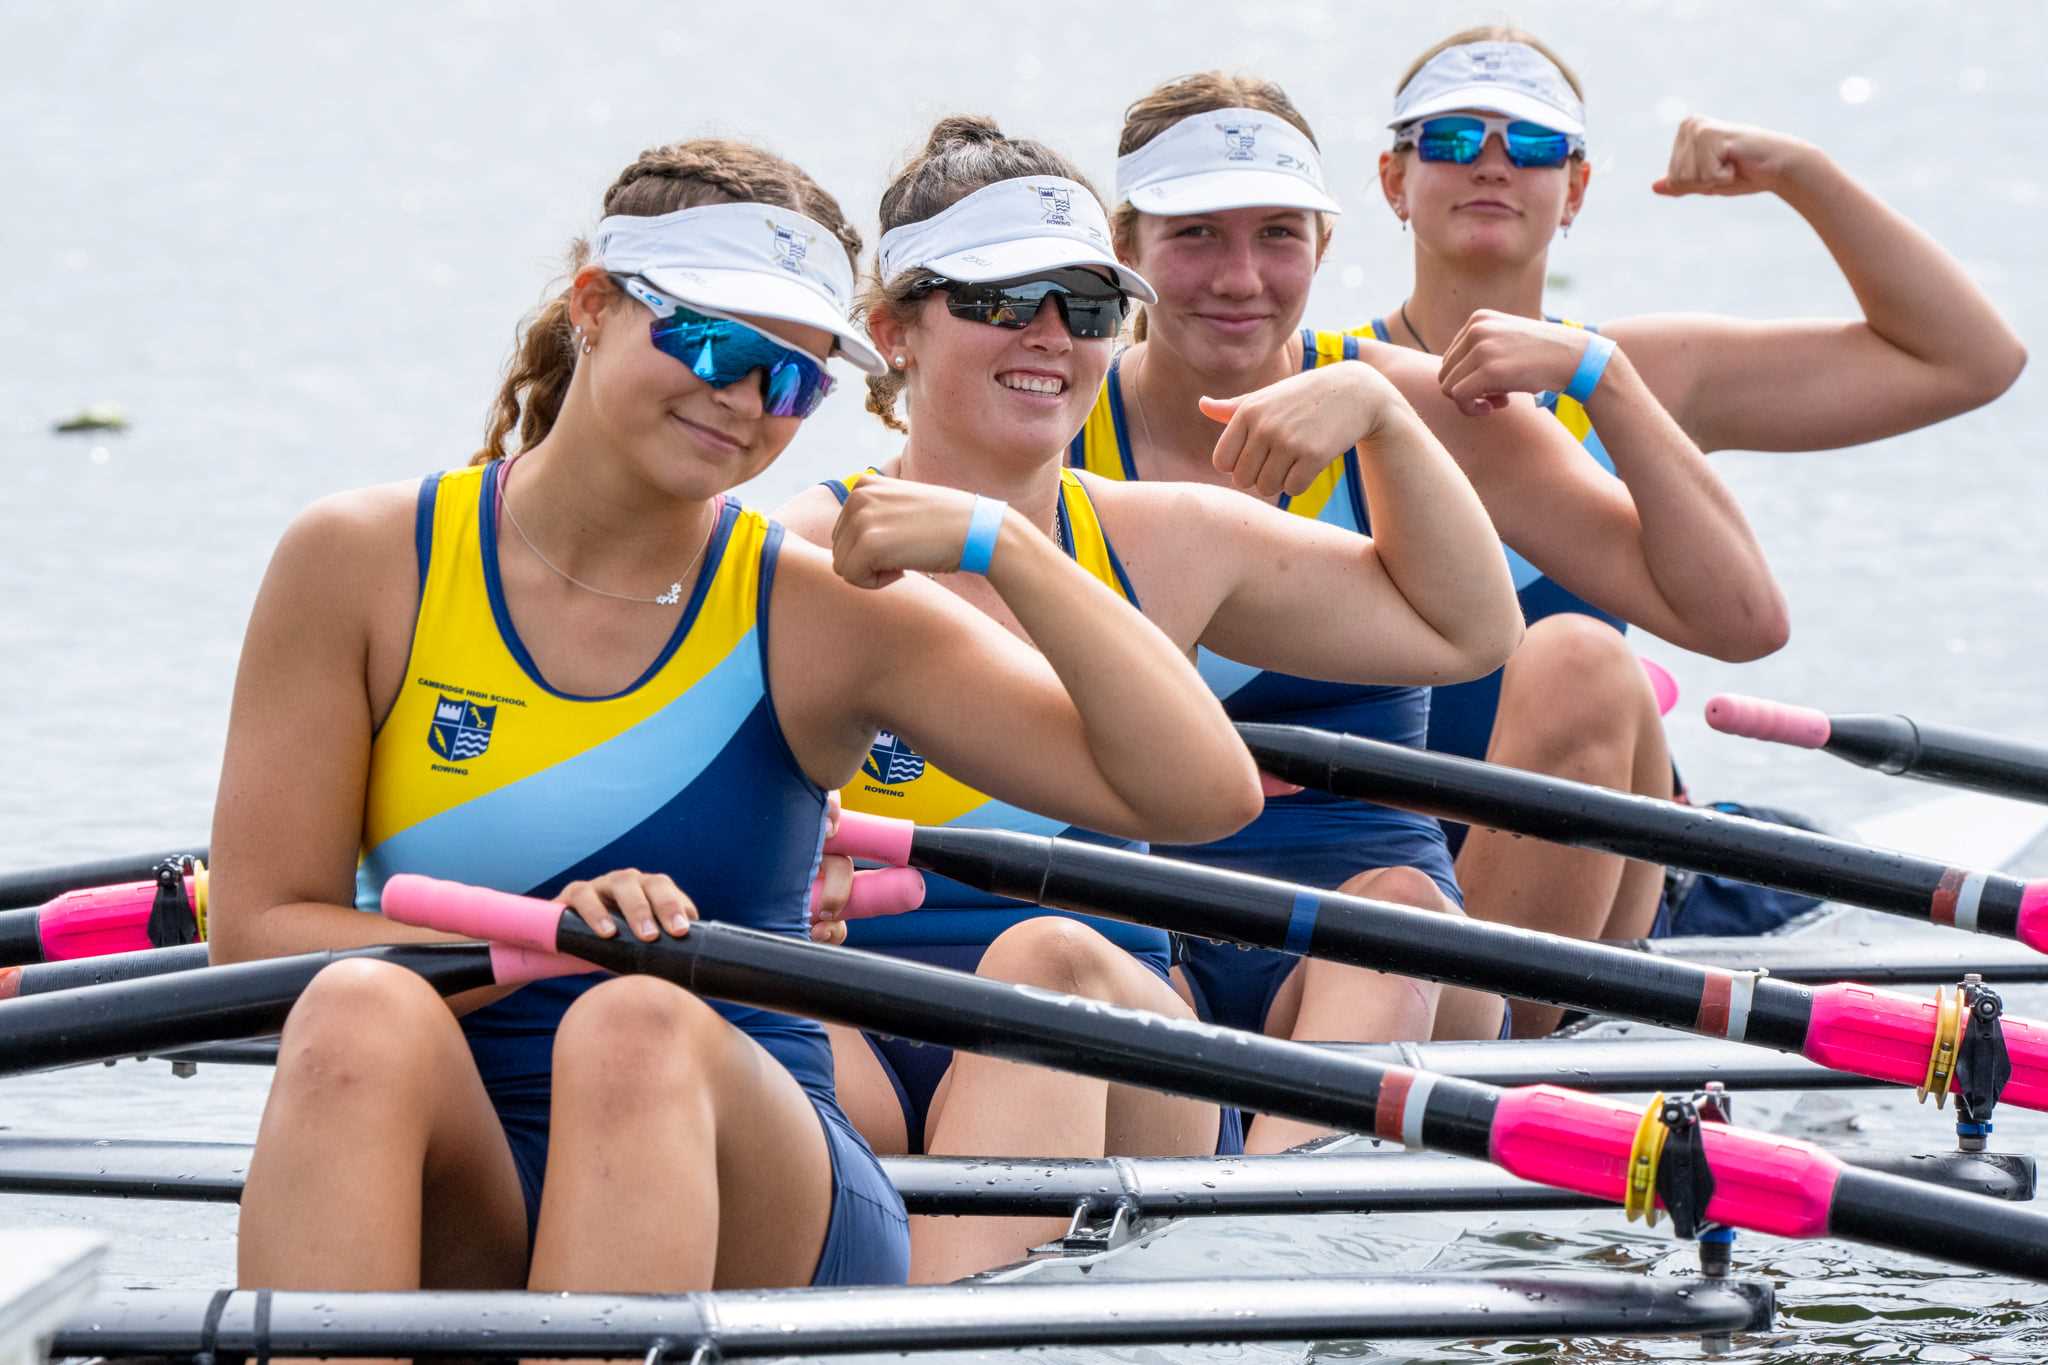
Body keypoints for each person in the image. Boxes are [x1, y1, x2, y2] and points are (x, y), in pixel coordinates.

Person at [207, 136, 1261, 1300]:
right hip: (471, 1158)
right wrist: (526, 937)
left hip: (757, 1177)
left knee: (635, 1024)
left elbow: (1202, 795)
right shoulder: (360, 562)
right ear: (593, 306)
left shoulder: (816, 611)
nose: (745, 400)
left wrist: (1006, 545)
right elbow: (253, 936)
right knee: (357, 1007)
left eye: (793, 378)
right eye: (711, 341)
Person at [780, 116, 1520, 1278]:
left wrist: (1382, 415)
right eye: (998, 301)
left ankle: (1253, 1257)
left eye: (1082, 308)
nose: (1048, 339)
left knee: (1046, 960)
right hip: (853, 1041)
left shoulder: (1159, 541)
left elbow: (1468, 628)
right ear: (891, 333)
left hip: (1114, 1039)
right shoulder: (789, 553)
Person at [1075, 72, 1788, 1042]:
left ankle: (1514, 1068)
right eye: (1195, 234)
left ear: (1323, 244)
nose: (1239, 279)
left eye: (1277, 234)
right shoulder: (1048, 427)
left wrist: (1602, 375)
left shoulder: (1418, 405)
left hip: (1378, 916)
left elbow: (1735, 621)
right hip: (1132, 928)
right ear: (1126, 250)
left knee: (1578, 654)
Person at [1362, 30, 2027, 1028]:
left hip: (1590, 865)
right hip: (1379, 860)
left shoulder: (1644, 375)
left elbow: (1971, 361)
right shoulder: (1330, 387)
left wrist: (1800, 175)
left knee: (1581, 657)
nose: (1491, 161)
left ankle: (1514, 1034)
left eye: (1533, 146)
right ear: (1392, 179)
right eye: (1451, 137)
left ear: (1575, 189)